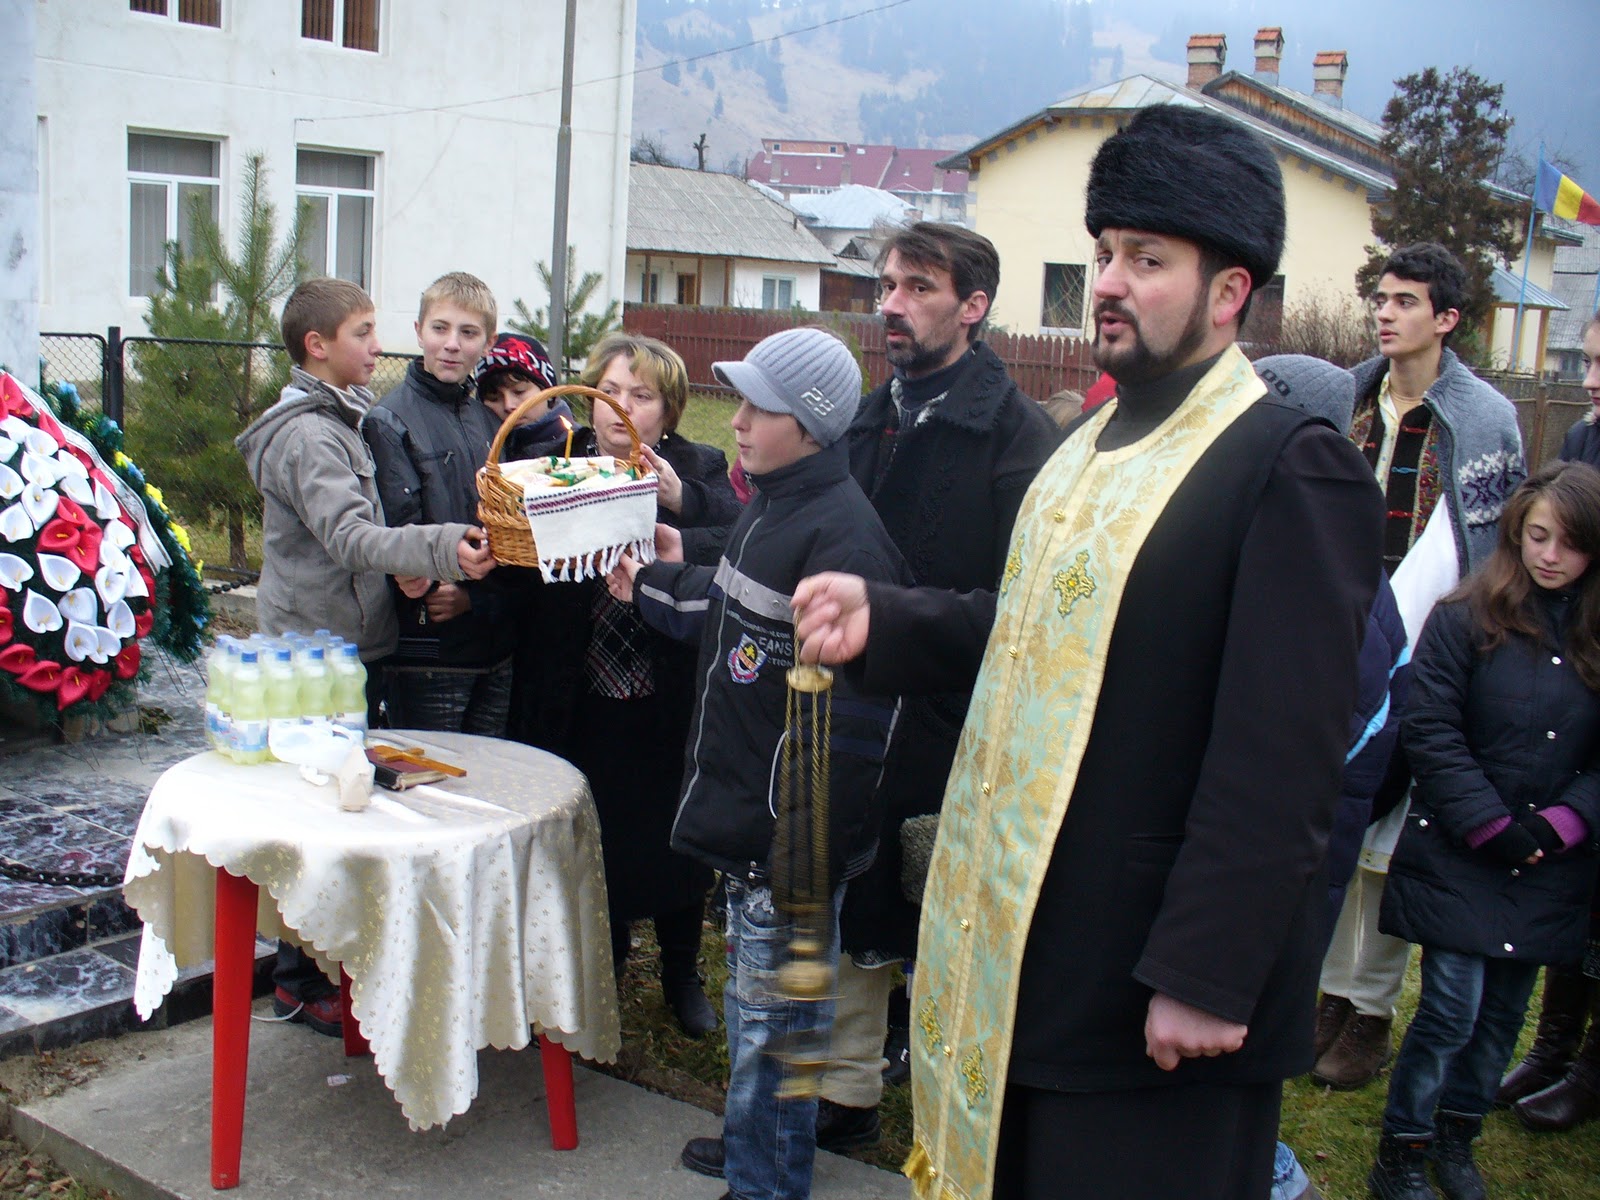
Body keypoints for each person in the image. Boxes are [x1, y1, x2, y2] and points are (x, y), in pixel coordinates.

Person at [793, 104, 1383, 1200]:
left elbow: (1286, 755)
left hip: (1151, 995)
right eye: (1105, 252)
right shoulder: (1088, 448)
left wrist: (1205, 974)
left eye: (1146, 259)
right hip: (1026, 958)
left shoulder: (1287, 465)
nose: (1107, 280)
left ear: (1228, 290)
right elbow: (1039, 639)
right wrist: (895, 619)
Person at [608, 326, 906, 1200]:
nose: (733, 421)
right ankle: (753, 1144)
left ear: (809, 424)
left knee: (779, 1031)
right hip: (753, 828)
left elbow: (854, 729)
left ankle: (767, 1181)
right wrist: (659, 582)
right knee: (755, 1010)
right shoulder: (774, 507)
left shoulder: (841, 539)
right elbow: (734, 620)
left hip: (789, 845)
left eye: (756, 407)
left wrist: (798, 857)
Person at [804, 222, 1059, 1159]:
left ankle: (949, 1103)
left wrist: (900, 620)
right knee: (846, 891)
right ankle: (845, 1090)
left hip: (954, 720)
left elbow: (1026, 610)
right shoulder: (873, 414)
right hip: (855, 702)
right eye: (887, 286)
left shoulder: (1017, 436)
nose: (892, 305)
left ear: (975, 306)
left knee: (928, 911)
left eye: (917, 287)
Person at [236, 277, 495, 1036]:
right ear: (318, 346)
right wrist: (441, 547)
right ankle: (297, 981)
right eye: (363, 332)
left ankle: (316, 968)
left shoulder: (337, 418)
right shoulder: (312, 434)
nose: (377, 347)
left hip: (349, 643)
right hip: (317, 655)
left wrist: (409, 559)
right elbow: (349, 537)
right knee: (319, 817)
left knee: (342, 806)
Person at [1316, 244, 1526, 1091]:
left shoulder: (1484, 418)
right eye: (1382, 298)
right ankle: (1326, 990)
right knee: (1331, 809)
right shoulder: (1346, 395)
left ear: (1445, 319)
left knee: (1392, 837)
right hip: (1336, 626)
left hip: (1428, 642)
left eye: (1406, 301)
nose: (1385, 312)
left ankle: (1370, 1007)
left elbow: (1491, 545)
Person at [1367, 460, 1600, 1200]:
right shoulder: (1465, 616)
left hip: (1548, 862)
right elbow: (1430, 728)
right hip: (1461, 852)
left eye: (1569, 543)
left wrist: (1563, 824)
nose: (1550, 556)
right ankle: (1401, 1148)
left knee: (1502, 1016)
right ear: (1515, 533)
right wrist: (1487, 821)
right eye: (1537, 537)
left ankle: (1455, 1136)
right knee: (1448, 1011)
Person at [516, 331, 740, 1037]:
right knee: (596, 832)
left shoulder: (698, 469)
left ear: (668, 412)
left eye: (641, 396)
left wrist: (683, 503)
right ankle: (603, 965)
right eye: (610, 391)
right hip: (582, 686)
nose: (622, 408)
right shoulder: (556, 467)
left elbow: (738, 543)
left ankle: (681, 971)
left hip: (665, 687)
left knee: (676, 835)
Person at [1251, 356, 1413, 1200]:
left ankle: (1270, 1173)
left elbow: (1361, 722)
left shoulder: (1329, 545)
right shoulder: (1285, 516)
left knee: (1258, 1011)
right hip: (1289, 835)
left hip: (1297, 845)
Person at [1499, 310, 1600, 1132]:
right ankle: (1553, 1049)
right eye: (1591, 360)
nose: (1591, 380)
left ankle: (1593, 1068)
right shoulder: (1591, 440)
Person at [360, 272, 517, 735]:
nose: (452, 344)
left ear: (486, 342)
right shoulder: (389, 421)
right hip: (428, 649)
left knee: (487, 783)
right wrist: (435, 584)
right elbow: (397, 530)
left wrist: (479, 597)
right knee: (433, 784)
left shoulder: (490, 422)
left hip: (491, 642)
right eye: (440, 329)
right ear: (418, 331)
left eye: (467, 333)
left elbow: (506, 520)